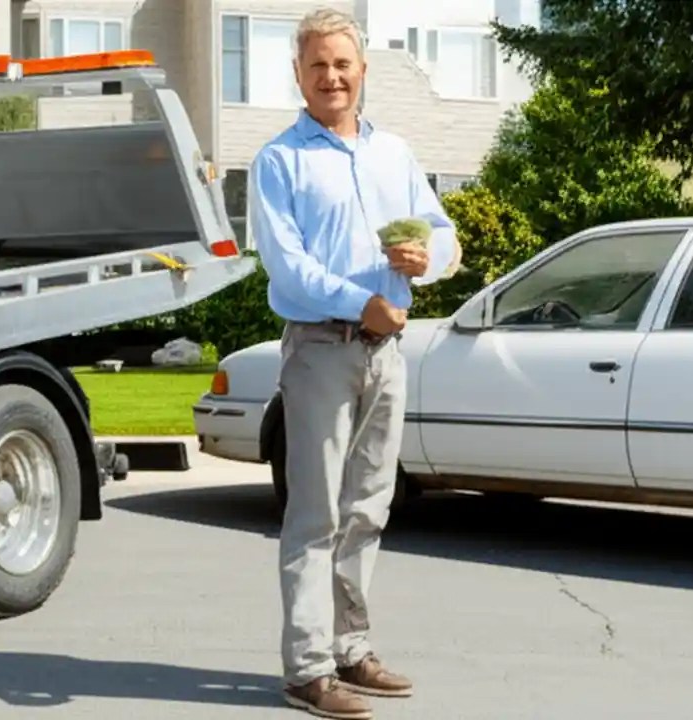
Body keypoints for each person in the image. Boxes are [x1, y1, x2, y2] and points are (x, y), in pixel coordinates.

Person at [247, 7, 460, 720]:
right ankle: (307, 669)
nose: (331, 76)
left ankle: (351, 649)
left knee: (369, 507)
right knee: (314, 514)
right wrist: (360, 299)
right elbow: (286, 265)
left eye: (342, 64)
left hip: (384, 352)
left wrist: (427, 260)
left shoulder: (392, 153)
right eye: (318, 66)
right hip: (320, 352)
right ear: (299, 76)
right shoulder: (280, 161)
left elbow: (440, 231)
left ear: (362, 70)